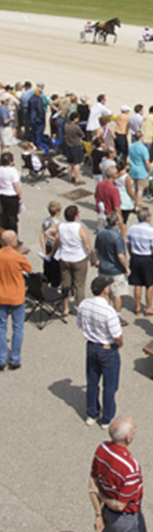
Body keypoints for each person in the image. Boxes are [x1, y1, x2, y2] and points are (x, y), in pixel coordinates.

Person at [89, 417, 148, 532]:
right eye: (133, 430)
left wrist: (98, 514)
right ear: (127, 438)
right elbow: (120, 505)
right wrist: (102, 496)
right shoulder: (130, 467)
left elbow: (92, 483)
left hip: (106, 513)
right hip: (125, 518)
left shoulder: (102, 449)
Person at [79, 275, 125, 425]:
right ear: (105, 290)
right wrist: (118, 345)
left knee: (92, 382)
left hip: (91, 345)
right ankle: (106, 418)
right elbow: (117, 335)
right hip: (107, 348)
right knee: (110, 386)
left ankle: (91, 414)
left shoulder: (84, 304)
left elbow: (80, 324)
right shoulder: (108, 311)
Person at [0, 228, 31, 371]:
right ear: (13, 242)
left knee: (1, 328)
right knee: (17, 328)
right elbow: (29, 269)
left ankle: (1, 358)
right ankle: (15, 358)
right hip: (16, 296)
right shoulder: (17, 256)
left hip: (1, 295)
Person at [125, 206, 153, 317]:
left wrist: (131, 254)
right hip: (147, 258)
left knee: (137, 283)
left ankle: (137, 307)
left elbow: (129, 244)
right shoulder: (151, 231)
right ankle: (148, 308)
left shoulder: (132, 228)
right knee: (149, 284)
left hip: (136, 257)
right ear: (147, 218)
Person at [95, 212, 130, 315]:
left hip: (103, 268)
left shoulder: (101, 232)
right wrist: (126, 267)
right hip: (116, 270)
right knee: (117, 294)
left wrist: (99, 259)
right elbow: (120, 255)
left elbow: (96, 249)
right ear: (116, 222)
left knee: (106, 293)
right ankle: (117, 316)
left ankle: (106, 313)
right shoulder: (117, 236)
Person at [0, 148, 22, 234]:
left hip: (2, 194)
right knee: (12, 218)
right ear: (10, 162)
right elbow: (16, 185)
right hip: (12, 195)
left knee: (4, 216)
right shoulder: (12, 171)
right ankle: (13, 236)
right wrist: (20, 196)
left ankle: (4, 235)